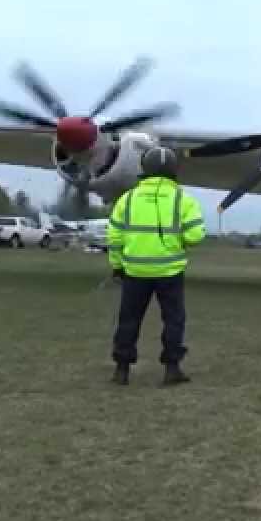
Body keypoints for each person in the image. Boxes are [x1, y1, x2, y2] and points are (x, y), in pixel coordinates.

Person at [107, 145, 206, 386]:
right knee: (173, 320)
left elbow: (114, 237)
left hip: (134, 271)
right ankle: (172, 368)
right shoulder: (183, 200)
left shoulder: (127, 199)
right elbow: (195, 236)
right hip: (169, 271)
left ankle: (121, 369)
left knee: (128, 320)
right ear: (173, 169)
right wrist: (178, 239)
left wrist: (117, 266)